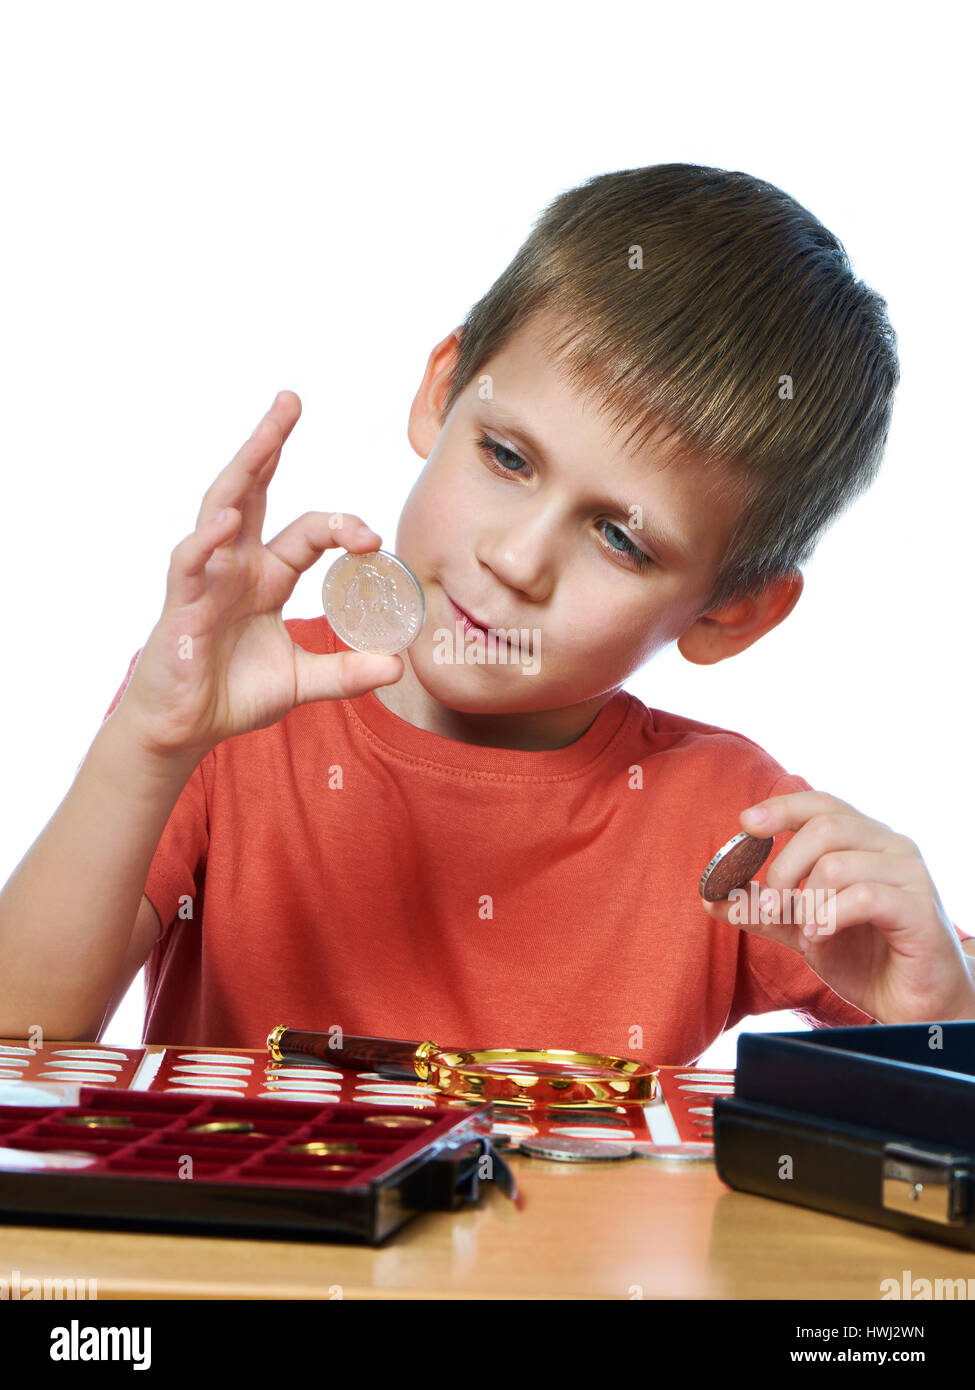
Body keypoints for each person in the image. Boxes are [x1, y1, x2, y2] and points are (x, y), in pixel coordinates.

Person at [1, 163, 971, 1064]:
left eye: (620, 539)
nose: (513, 559)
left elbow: (940, 1114)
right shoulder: (224, 720)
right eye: (507, 457)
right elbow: (20, 1045)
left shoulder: (731, 826)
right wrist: (150, 738)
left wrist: (942, 1010)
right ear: (442, 392)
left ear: (733, 612)